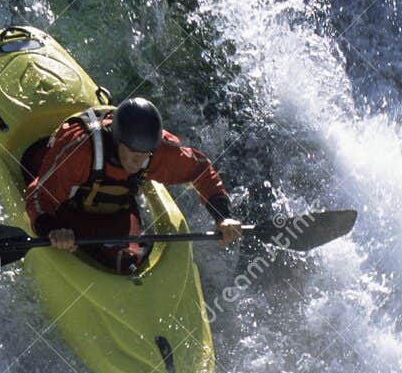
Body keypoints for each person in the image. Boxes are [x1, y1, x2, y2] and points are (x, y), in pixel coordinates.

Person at [24, 96, 242, 275]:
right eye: (133, 153)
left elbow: (201, 169)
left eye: (145, 153)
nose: (139, 161)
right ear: (117, 141)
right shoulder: (81, 151)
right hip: (68, 210)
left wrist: (223, 216)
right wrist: (51, 230)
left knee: (128, 261)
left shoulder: (155, 151)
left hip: (115, 214)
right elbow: (38, 195)